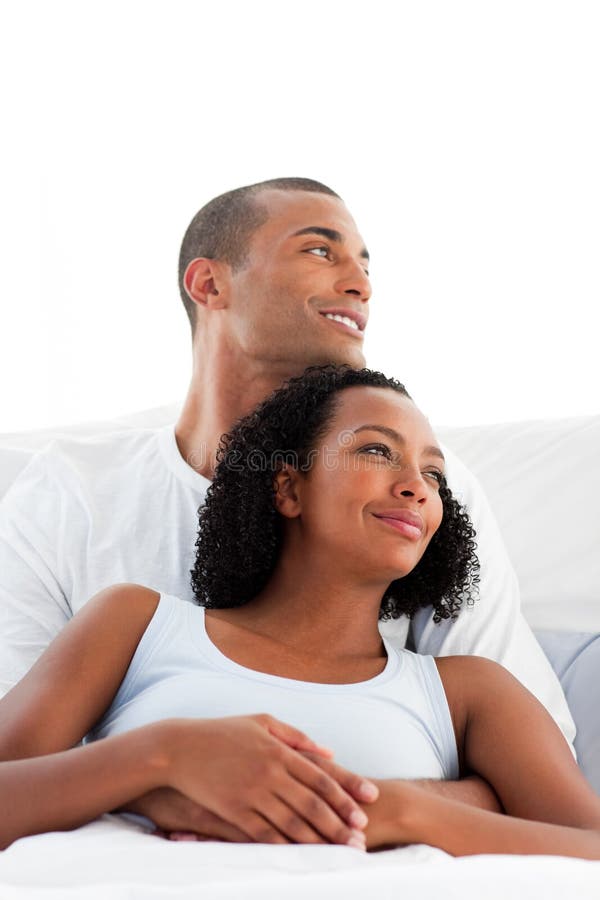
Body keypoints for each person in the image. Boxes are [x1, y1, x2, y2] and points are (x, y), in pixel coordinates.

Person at [0, 178, 575, 839]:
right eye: (320, 251)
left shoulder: (433, 504)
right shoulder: (72, 495)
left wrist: (325, 800)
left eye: (365, 264)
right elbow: (20, 760)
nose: (359, 283)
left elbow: (533, 772)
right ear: (210, 285)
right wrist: (160, 774)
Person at [0, 365, 598, 858]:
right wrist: (162, 757)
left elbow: (588, 847)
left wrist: (404, 811)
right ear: (288, 489)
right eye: (376, 450)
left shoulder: (470, 692)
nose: (417, 485)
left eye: (435, 474)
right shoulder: (134, 624)